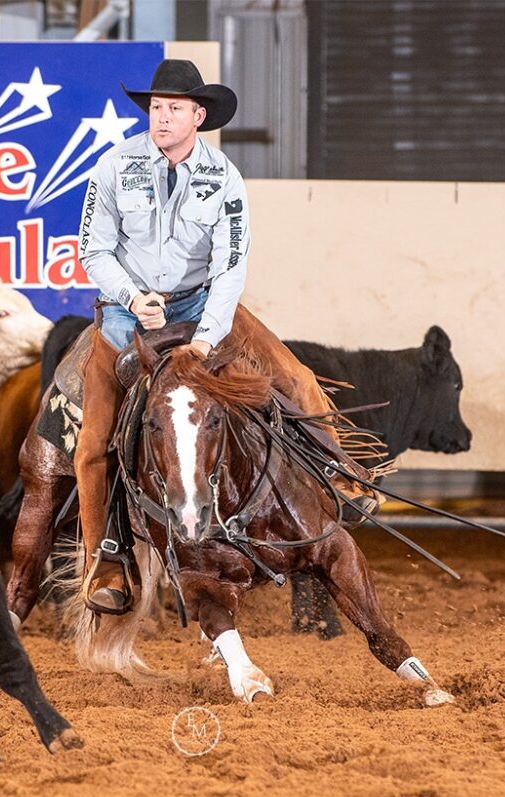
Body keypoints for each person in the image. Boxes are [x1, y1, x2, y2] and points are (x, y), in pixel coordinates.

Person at [75, 59, 378, 615]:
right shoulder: (113, 168)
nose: (161, 118)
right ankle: (108, 559)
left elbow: (230, 264)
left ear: (199, 115)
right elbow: (93, 249)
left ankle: (342, 478)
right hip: (127, 314)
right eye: (155, 107)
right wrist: (131, 296)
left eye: (173, 109)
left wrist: (208, 337)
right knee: (94, 443)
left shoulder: (224, 177)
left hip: (202, 306)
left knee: (293, 375)